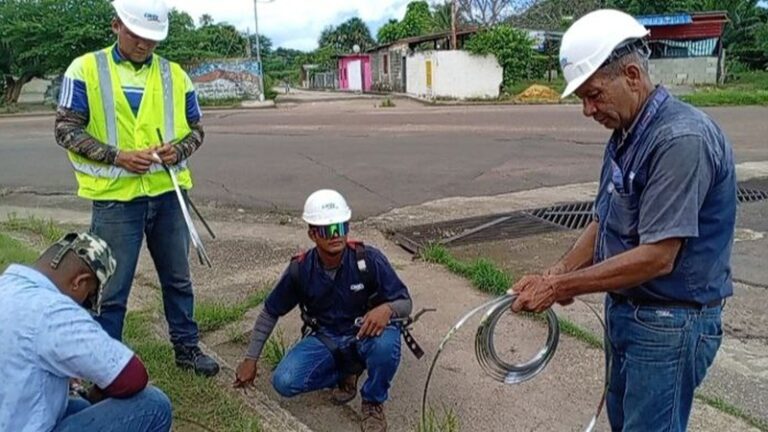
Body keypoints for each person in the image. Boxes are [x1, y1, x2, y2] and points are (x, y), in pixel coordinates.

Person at [510, 9, 735, 432]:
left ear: (632, 74)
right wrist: (555, 271)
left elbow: (657, 257)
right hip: (630, 313)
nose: (587, 110)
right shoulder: (627, 135)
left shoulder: (680, 140)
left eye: (593, 95)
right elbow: (606, 220)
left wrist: (559, 287)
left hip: (670, 323)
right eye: (581, 98)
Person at [53, 0, 218, 376]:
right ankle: (103, 364)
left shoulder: (174, 75)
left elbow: (197, 131)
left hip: (168, 194)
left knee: (178, 278)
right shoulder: (86, 69)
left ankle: (187, 348)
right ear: (116, 26)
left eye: (152, 39)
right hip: (116, 200)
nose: (145, 44)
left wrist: (177, 150)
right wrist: (118, 157)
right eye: (137, 35)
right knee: (110, 288)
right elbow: (65, 130)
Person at [233, 189, 413, 432]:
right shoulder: (300, 269)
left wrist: (387, 309)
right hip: (327, 337)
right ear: (312, 234)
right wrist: (250, 360)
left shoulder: (369, 260)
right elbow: (270, 312)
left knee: (386, 346)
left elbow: (405, 302)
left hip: (366, 333)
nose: (335, 235)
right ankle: (347, 370)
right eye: (326, 230)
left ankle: (372, 401)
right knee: (284, 381)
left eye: (340, 227)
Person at [0, 232, 172, 432]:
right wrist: (98, 390)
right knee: (154, 405)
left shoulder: (8, 286)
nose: (83, 304)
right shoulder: (53, 310)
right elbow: (132, 376)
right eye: (88, 295)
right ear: (79, 282)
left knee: (83, 407)